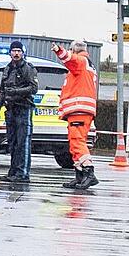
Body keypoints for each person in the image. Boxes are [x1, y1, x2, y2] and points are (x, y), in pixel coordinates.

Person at [55, 39, 99, 189]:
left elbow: (68, 58)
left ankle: (88, 172)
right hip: (81, 110)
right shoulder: (88, 64)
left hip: (78, 110)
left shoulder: (80, 61)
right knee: (75, 142)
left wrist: (58, 49)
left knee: (77, 141)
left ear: (74, 50)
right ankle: (80, 175)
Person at [0, 41, 39, 183]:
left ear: (23, 53)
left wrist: (16, 92)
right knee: (13, 143)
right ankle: (13, 171)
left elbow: (33, 88)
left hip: (23, 109)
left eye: (18, 51)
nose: (16, 53)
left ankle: (23, 173)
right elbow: (2, 90)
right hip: (10, 110)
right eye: (14, 51)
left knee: (23, 142)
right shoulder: (7, 69)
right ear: (10, 53)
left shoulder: (28, 69)